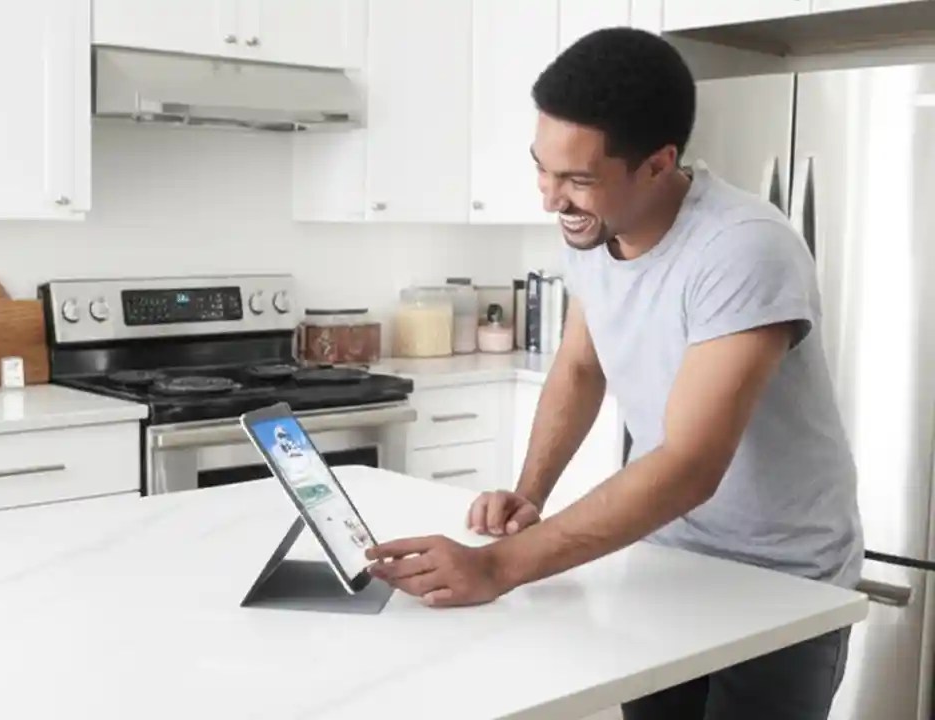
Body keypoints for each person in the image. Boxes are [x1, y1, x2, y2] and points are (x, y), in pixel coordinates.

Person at [364, 27, 863, 720]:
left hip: (781, 577)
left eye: (577, 179)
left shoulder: (744, 250)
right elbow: (578, 365)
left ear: (658, 165)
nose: (550, 198)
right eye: (542, 167)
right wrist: (528, 491)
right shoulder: (593, 230)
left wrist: (498, 566)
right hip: (662, 558)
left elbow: (690, 465)